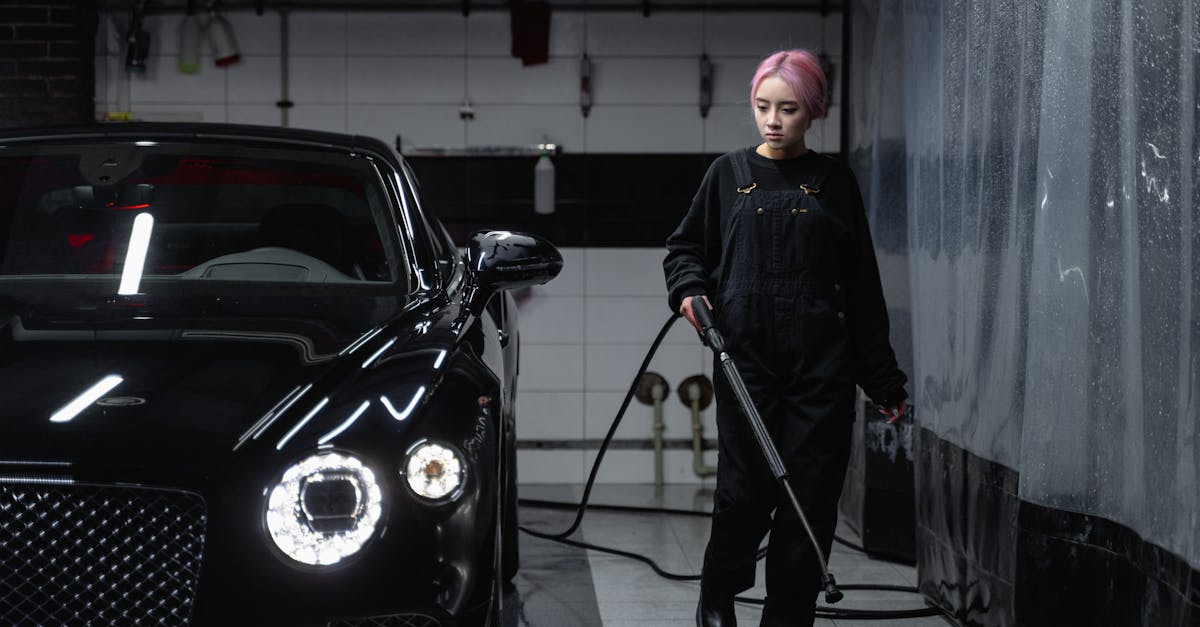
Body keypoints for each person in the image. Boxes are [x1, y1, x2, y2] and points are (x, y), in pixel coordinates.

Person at [663, 49, 908, 627]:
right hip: (745, 361)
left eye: (788, 109)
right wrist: (689, 289)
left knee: (810, 500)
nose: (773, 119)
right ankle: (718, 594)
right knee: (743, 494)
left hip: (821, 368)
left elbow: (862, 287)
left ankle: (788, 615)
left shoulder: (834, 183)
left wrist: (883, 379)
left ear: (813, 111)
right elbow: (684, 249)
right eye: (762, 106)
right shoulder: (727, 175)